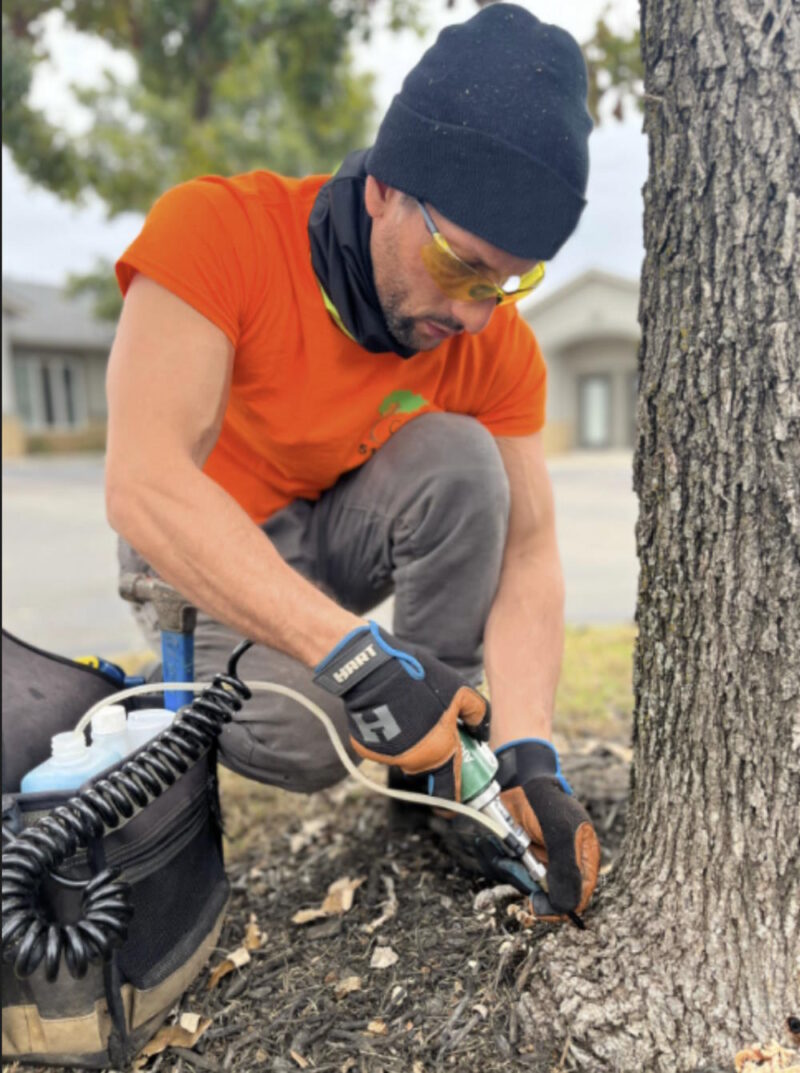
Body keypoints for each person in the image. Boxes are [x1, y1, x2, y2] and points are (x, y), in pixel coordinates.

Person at [106, 2, 600, 920]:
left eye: (509, 282)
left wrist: (530, 750)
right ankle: (164, 701)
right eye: (461, 265)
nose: (477, 314)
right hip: (195, 552)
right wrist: (359, 662)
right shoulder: (217, 234)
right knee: (309, 735)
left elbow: (529, 554)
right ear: (384, 188)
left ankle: (444, 762)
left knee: (463, 457)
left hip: (321, 526)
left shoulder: (491, 339)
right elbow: (144, 480)